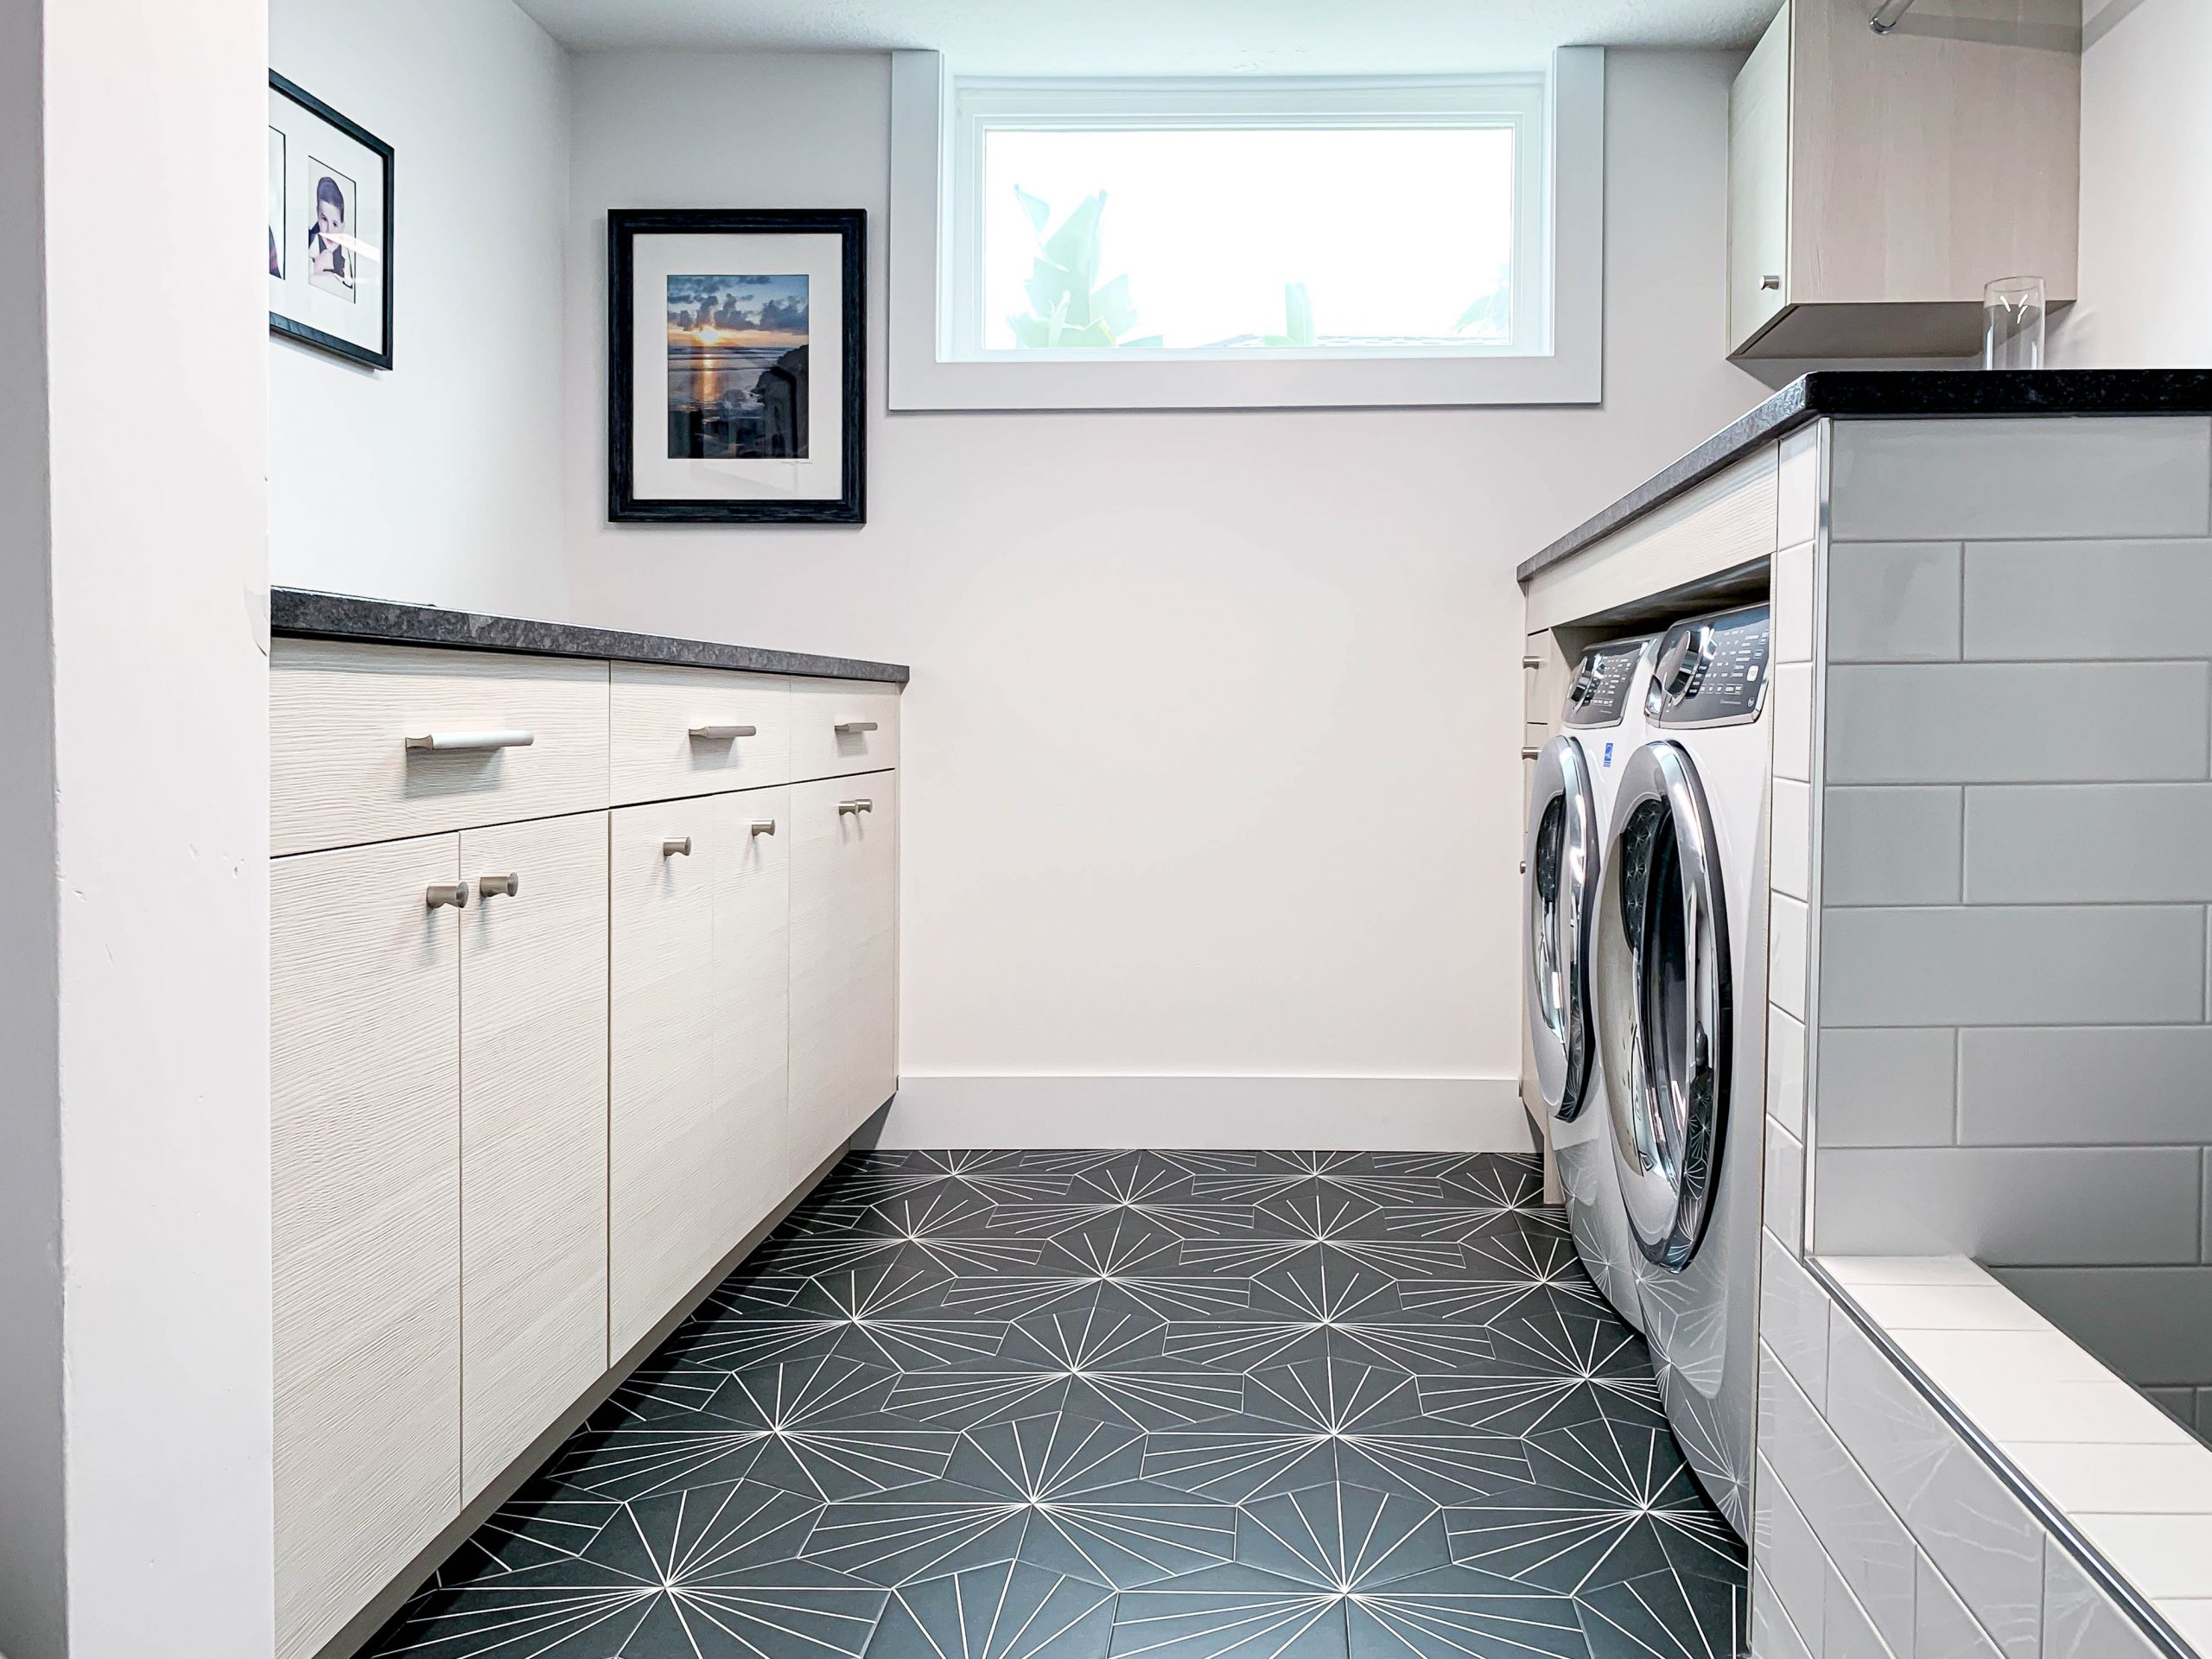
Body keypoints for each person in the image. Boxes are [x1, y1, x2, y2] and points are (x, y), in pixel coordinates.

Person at [306, 175, 352, 291]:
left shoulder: (347, 254)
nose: (329, 231)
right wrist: (315, 269)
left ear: (342, 226)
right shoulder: (307, 242)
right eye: (324, 219)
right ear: (317, 213)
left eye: (335, 224)